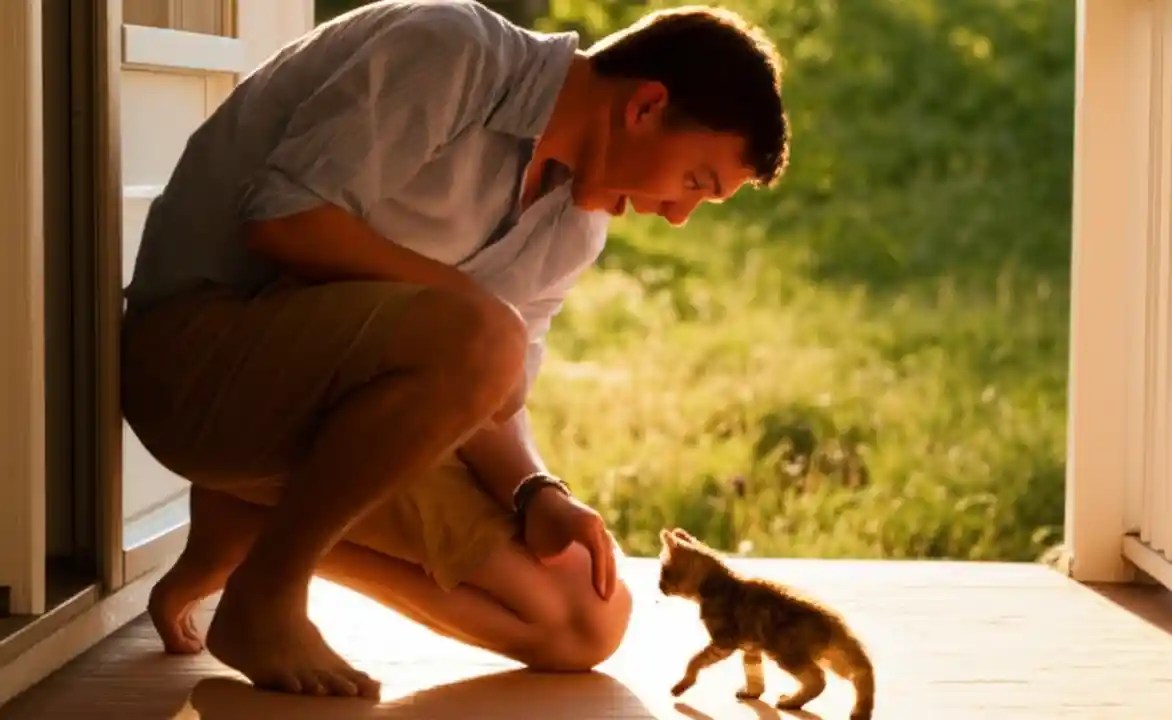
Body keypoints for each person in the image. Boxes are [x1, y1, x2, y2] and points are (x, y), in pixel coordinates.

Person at [121, 0, 789, 699]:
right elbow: (283, 218)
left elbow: (488, 389)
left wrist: (534, 492)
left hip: (328, 418)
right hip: (194, 366)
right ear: (646, 107)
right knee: (487, 331)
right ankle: (268, 594)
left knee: (586, 619)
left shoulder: (575, 225)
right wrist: (478, 312)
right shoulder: (452, 53)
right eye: (695, 182)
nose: (678, 215)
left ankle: (254, 524)